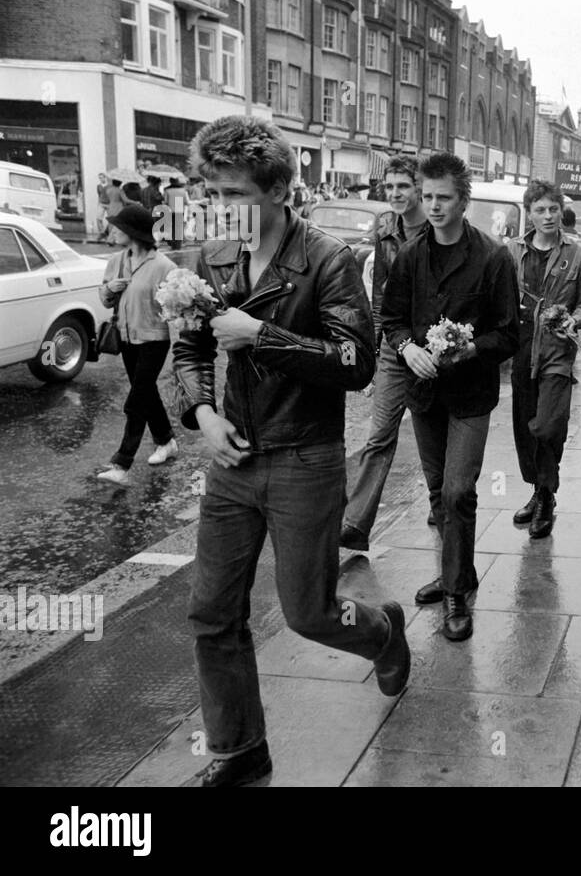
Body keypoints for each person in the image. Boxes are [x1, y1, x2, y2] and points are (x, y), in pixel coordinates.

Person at [174, 116, 409, 787]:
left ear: (279, 190)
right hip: (231, 464)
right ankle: (239, 748)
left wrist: (262, 334)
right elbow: (189, 348)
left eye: (235, 194)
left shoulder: (327, 259)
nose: (221, 208)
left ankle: (381, 630)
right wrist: (203, 413)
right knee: (212, 613)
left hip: (305, 459)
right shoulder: (213, 257)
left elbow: (356, 360)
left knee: (308, 612)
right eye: (212, 193)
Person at [380, 152, 520, 642]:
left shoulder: (493, 257)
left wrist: (469, 350)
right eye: (428, 196)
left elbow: (507, 334)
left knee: (460, 491)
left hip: (470, 395)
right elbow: (391, 318)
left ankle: (458, 594)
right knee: (440, 493)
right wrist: (407, 347)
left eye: (444, 197)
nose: (433, 206)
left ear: (464, 201)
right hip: (424, 393)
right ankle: (454, 571)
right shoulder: (410, 256)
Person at [340, 155, 429, 553]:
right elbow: (379, 296)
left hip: (432, 348)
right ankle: (356, 523)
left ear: (419, 188)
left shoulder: (437, 228)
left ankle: (443, 503)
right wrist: (373, 351)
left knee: (433, 437)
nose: (394, 194)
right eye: (389, 187)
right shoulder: (386, 229)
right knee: (379, 436)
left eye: (402, 187)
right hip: (395, 345)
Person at [507, 179, 581, 539]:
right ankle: (538, 490)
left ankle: (547, 495)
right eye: (540, 209)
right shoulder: (511, 252)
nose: (547, 216)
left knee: (548, 426)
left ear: (562, 212)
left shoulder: (579, 256)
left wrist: (574, 319)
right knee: (523, 428)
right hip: (520, 350)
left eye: (553, 209)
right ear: (529, 213)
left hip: (557, 353)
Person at [94, 203, 179, 486]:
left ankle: (122, 462)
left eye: (119, 227)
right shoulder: (117, 260)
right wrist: (109, 289)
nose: (114, 230)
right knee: (146, 391)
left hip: (154, 338)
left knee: (138, 398)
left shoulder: (165, 267)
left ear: (133, 231)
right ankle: (166, 440)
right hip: (126, 336)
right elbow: (104, 297)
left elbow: (176, 308)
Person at [95, 173, 110, 239]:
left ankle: (107, 232)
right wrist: (98, 203)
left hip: (109, 204)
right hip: (101, 203)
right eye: (100, 178)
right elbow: (99, 194)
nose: (101, 179)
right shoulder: (98, 186)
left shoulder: (109, 185)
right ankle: (102, 233)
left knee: (111, 219)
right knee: (98, 219)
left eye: (102, 177)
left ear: (105, 178)